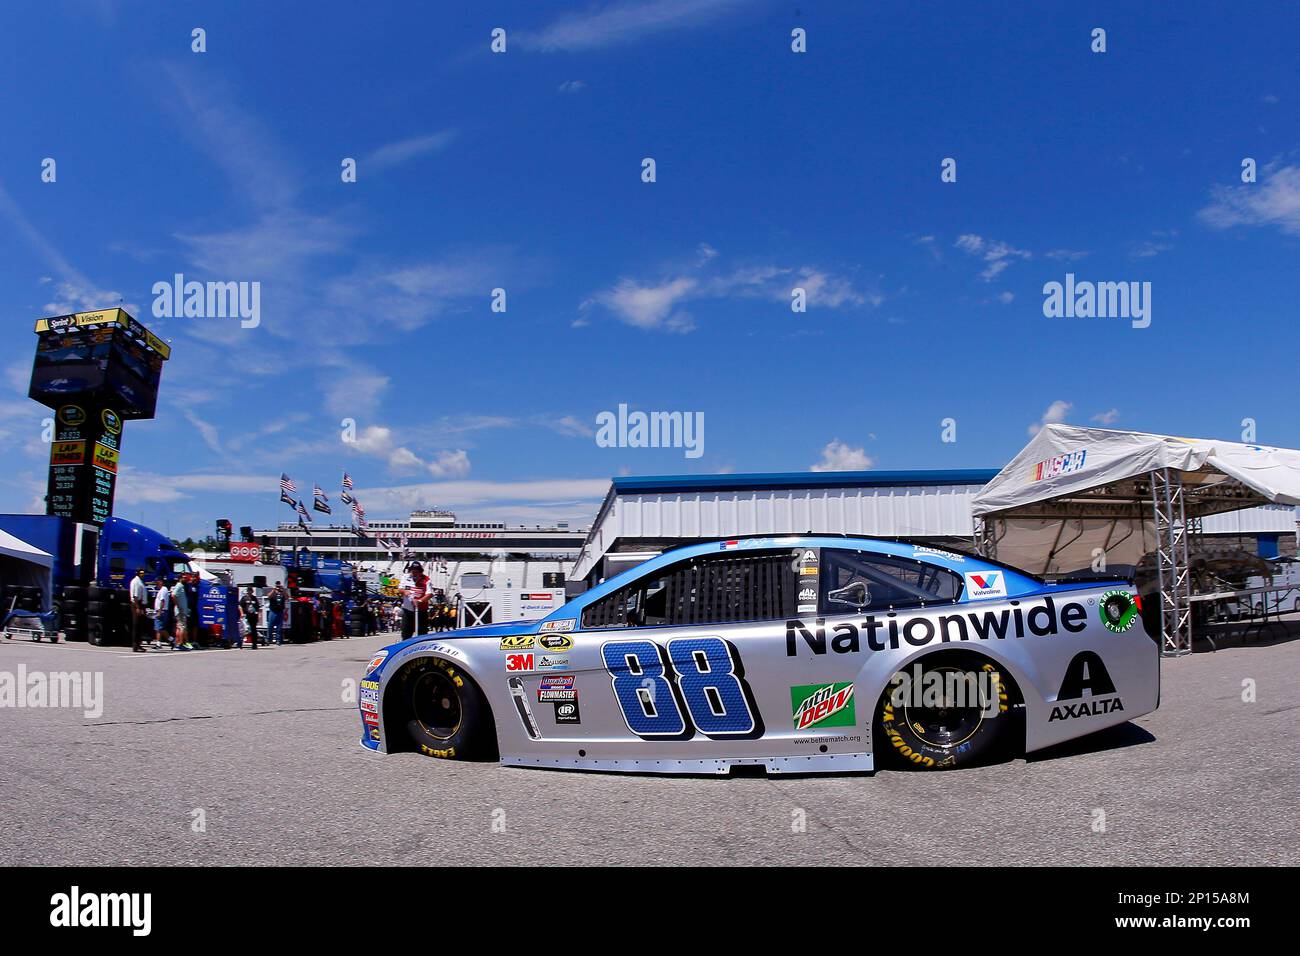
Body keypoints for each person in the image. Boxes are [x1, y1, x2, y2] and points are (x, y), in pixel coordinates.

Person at [399, 562, 434, 639]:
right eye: (412, 571)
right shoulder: (405, 577)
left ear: (420, 572)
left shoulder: (426, 579)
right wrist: (405, 591)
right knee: (406, 633)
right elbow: (400, 589)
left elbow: (430, 594)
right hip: (408, 610)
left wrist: (420, 601)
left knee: (422, 633)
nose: (414, 573)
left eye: (416, 572)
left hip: (421, 610)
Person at [129, 567, 149, 652]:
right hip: (137, 604)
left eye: (143, 573)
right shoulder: (136, 582)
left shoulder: (140, 581)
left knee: (140, 626)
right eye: (141, 573)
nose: (143, 574)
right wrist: (138, 608)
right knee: (136, 626)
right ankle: (135, 646)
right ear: (137, 573)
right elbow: (135, 596)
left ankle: (139, 644)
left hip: (141, 604)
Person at [171, 576, 192, 650]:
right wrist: (178, 606)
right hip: (180, 611)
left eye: (186, 578)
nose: (185, 579)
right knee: (182, 627)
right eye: (184, 578)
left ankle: (176, 643)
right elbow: (173, 595)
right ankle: (180, 643)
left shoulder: (182, 586)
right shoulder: (179, 586)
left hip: (182, 610)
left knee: (179, 627)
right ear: (180, 578)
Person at [152, 577, 172, 648]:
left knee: (158, 628)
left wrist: (159, 611)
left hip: (162, 611)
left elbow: (163, 601)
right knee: (161, 628)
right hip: (162, 611)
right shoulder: (162, 590)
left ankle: (158, 644)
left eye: (157, 582)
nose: (156, 583)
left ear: (161, 582)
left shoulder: (163, 589)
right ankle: (171, 640)